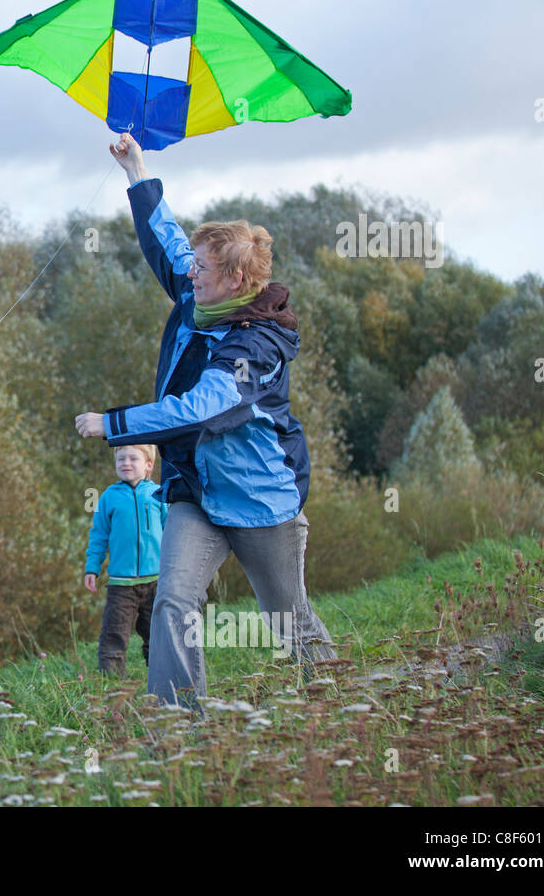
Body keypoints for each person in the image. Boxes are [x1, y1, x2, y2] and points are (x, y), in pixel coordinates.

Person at [73, 132, 335, 709]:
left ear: (236, 281)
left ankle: (337, 702)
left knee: (288, 619)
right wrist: (137, 171)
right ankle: (180, 729)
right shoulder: (200, 294)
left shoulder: (258, 344)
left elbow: (197, 408)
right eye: (194, 264)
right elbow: (168, 242)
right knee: (173, 600)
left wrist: (114, 424)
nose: (190, 272)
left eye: (203, 267)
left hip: (259, 498)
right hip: (195, 489)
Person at [84, 443, 168, 677]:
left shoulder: (159, 495)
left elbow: (172, 532)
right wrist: (92, 568)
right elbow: (99, 536)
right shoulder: (108, 498)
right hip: (121, 585)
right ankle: (111, 684)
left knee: (157, 634)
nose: (126, 463)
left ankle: (161, 680)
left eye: (133, 459)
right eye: (121, 459)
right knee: (114, 635)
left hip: (156, 582)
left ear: (149, 465)